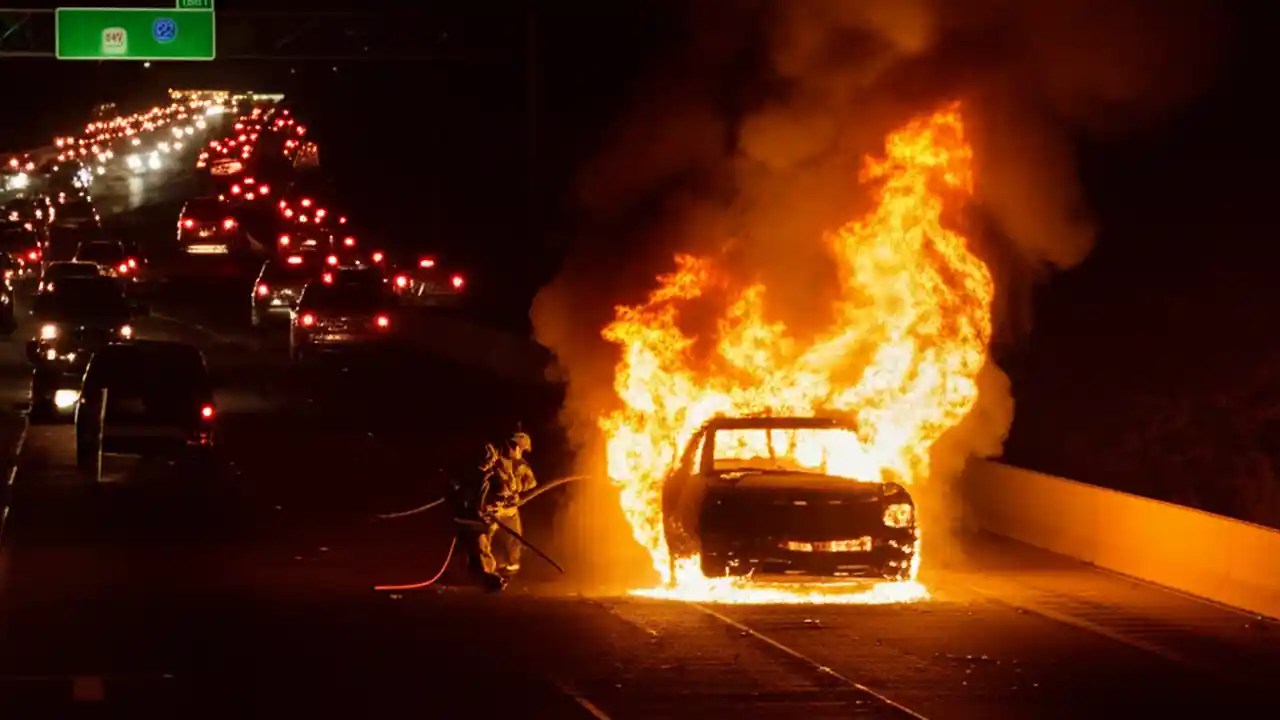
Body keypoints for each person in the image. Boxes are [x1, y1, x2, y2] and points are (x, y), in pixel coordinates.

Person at [463, 428, 537, 591]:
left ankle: (511, 564)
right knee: (482, 537)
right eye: (519, 448)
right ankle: (484, 572)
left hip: (509, 509)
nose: (520, 452)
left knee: (514, 535)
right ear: (512, 445)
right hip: (491, 510)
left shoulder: (521, 465)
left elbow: (531, 484)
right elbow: (479, 480)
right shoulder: (492, 458)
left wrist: (516, 490)